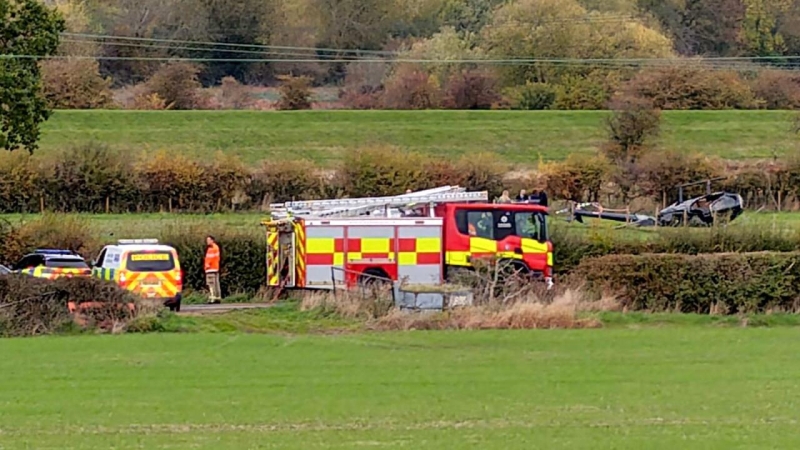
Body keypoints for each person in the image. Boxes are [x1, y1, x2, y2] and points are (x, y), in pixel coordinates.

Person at [204, 236, 221, 304]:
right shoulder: (216, 247)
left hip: (210, 269)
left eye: (208, 240)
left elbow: (209, 259)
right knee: (216, 284)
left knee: (211, 284)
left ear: (212, 240)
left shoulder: (211, 249)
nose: (207, 241)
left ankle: (212, 298)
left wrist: (206, 265)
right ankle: (218, 297)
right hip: (215, 268)